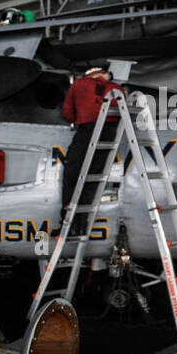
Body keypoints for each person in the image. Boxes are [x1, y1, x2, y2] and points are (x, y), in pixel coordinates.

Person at [60, 66, 125, 233]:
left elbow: (67, 112)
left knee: (72, 172)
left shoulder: (79, 85)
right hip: (110, 132)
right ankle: (82, 224)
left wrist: (79, 118)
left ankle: (69, 222)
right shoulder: (116, 89)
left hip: (88, 130)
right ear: (103, 74)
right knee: (93, 178)